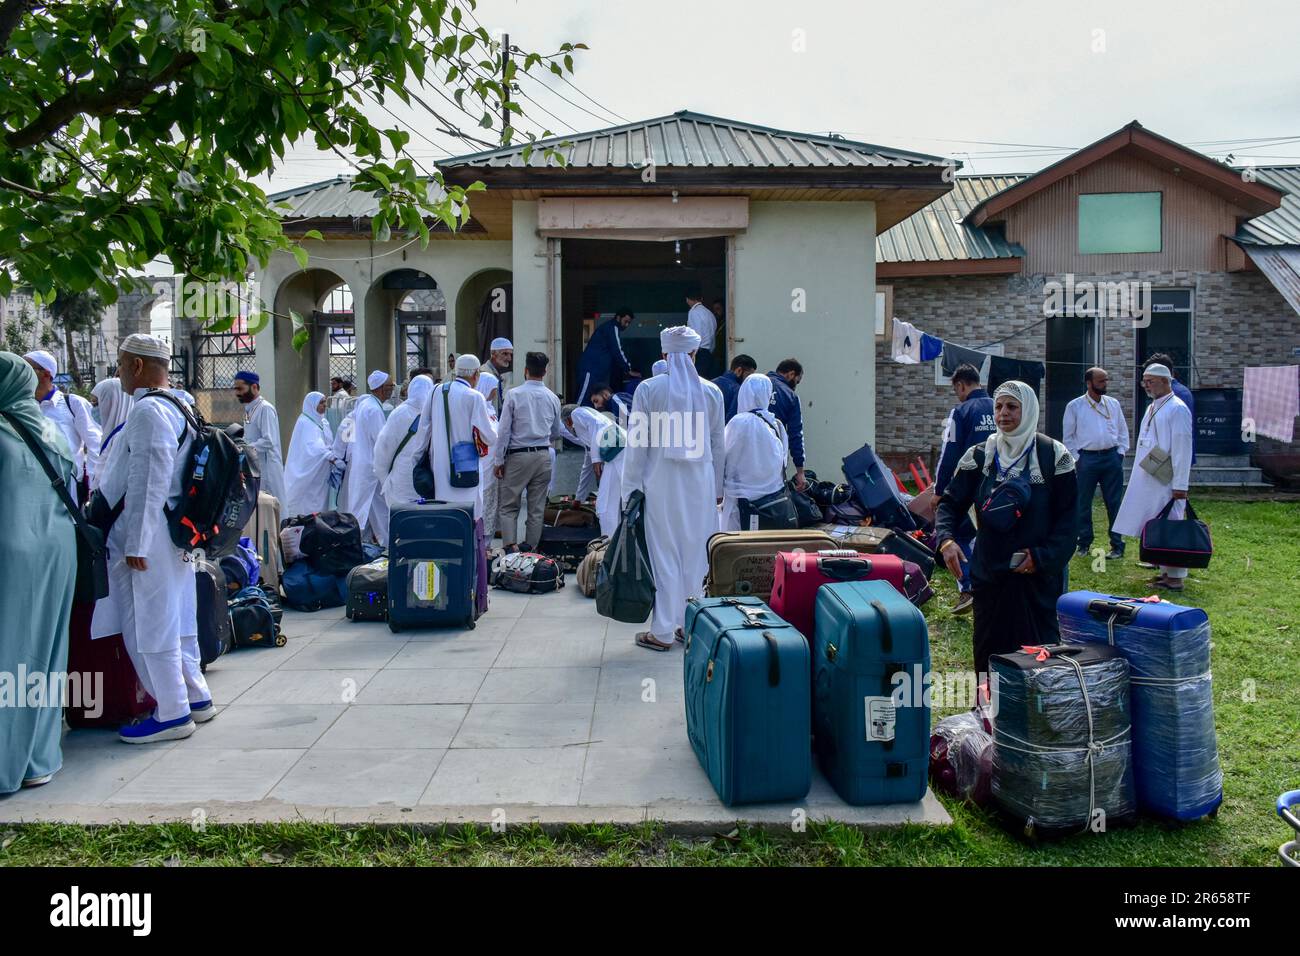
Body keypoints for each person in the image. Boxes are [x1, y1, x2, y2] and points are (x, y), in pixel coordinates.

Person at [97, 334, 213, 743]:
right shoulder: (181, 403)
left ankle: (172, 712)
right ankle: (195, 696)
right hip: (177, 531)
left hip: (153, 536)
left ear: (138, 366)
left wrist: (136, 543)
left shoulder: (148, 411)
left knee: (149, 623)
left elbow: (149, 480)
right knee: (177, 616)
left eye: (121, 362)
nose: (118, 371)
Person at [935, 381, 1078, 679]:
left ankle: (1035, 721)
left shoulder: (1054, 457)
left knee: (1039, 662)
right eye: (999, 406)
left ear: (1028, 410)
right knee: (989, 659)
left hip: (1037, 583)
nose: (1003, 414)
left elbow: (1069, 521)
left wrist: (1040, 557)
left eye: (1012, 407)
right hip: (990, 578)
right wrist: (946, 539)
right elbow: (950, 504)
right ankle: (987, 718)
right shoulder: (979, 456)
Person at [0, 352, 78, 791]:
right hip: (57, 551)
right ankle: (38, 758)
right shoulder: (49, 429)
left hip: (13, 555)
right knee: (46, 655)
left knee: (10, 654)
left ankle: (5, 763)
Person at [622, 326, 725, 652]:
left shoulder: (648, 390)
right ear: (694, 354)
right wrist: (719, 486)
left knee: (663, 552)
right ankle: (691, 626)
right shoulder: (712, 392)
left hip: (659, 483)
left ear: (664, 354)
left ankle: (664, 631)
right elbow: (717, 444)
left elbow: (636, 444)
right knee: (696, 554)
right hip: (701, 485)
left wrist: (630, 488)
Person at [422, 353, 498, 614]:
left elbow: (425, 428)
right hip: (465, 474)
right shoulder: (474, 397)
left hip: (439, 470)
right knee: (470, 528)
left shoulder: (435, 391)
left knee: (446, 527)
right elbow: (489, 436)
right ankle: (473, 592)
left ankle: (445, 588)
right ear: (476, 375)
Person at [1113, 364, 1194, 591]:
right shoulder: (1153, 407)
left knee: (1172, 524)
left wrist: (1180, 485)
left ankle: (1176, 576)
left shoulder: (1177, 408)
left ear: (1165, 381)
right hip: (1151, 476)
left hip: (1168, 479)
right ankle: (1164, 571)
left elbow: (1182, 448)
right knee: (1157, 524)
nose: (1146, 385)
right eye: (1144, 382)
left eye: (1150, 381)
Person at [934, 363, 997, 614]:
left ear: (961, 385)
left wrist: (939, 490)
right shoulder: (1001, 406)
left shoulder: (960, 411)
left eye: (956, 389)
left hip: (969, 484)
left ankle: (968, 588)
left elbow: (949, 454)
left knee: (957, 534)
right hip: (1002, 485)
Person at [492, 352, 563, 552]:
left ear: (525, 371)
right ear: (545, 371)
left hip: (517, 456)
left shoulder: (514, 394)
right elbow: (556, 433)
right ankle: (531, 549)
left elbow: (504, 430)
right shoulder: (552, 397)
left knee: (509, 505)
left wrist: (499, 459)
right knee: (536, 508)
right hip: (543, 456)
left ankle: (510, 547)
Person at [1062, 367, 1130, 561]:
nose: (1105, 384)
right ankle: (1083, 543)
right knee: (1083, 502)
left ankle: (1117, 545)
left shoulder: (1113, 404)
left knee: (1114, 503)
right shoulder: (1075, 406)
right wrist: (1078, 458)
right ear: (1089, 383)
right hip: (1087, 459)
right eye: (1101, 381)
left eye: (1106, 380)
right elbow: (1068, 437)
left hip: (1111, 458)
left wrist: (1121, 452)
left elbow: (1123, 430)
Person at [24, 349, 100, 503]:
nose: (22, 373)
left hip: (66, 488)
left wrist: (93, 486)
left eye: (27, 368)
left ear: (46, 374)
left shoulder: (73, 404)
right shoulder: (23, 407)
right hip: (30, 487)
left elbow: (95, 445)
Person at [720, 373, 788, 532]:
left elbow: (724, 457)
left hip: (739, 502)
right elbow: (782, 463)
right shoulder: (776, 424)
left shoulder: (738, 422)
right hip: (770, 504)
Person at [343, 369, 394, 545]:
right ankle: (363, 545)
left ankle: (379, 544)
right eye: (390, 386)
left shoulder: (368, 405)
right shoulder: (373, 409)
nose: (392, 389)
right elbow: (382, 439)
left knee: (373, 509)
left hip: (366, 466)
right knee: (369, 509)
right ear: (380, 388)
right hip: (371, 467)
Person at [373, 374, 435, 516]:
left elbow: (383, 448)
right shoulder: (435, 413)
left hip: (401, 479)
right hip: (427, 480)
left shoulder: (400, 413)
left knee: (401, 523)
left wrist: (383, 477)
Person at [563, 403, 625, 537]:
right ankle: (614, 543)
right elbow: (587, 469)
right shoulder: (589, 437)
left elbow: (596, 424)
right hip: (617, 456)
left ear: (568, 421)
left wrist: (596, 459)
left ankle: (607, 546)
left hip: (616, 454)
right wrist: (579, 498)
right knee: (614, 505)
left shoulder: (577, 413)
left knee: (605, 506)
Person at [283, 391, 339, 519]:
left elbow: (327, 442)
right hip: (308, 472)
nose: (324, 405)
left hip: (319, 474)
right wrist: (331, 456)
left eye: (325, 402)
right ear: (312, 404)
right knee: (307, 503)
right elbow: (313, 447)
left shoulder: (321, 421)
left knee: (318, 503)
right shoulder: (306, 422)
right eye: (321, 402)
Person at [232, 370, 285, 505]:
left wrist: (244, 448)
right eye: (235, 389)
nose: (237, 393)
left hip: (267, 469)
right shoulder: (249, 409)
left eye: (240, 388)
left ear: (254, 387)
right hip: (255, 467)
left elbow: (268, 441)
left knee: (271, 507)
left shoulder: (265, 409)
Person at [577, 309, 638, 404]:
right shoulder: (612, 327)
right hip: (591, 368)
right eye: (625, 321)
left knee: (594, 400)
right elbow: (617, 350)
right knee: (583, 398)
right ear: (618, 318)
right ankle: (573, 417)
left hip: (599, 371)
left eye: (628, 323)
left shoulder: (608, 328)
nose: (626, 325)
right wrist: (628, 369)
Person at [1144, 353, 1195, 463]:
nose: (1147, 386)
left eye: (1151, 379)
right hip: (1162, 457)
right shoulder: (1180, 391)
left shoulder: (1174, 395)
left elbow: (1178, 435)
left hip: (1169, 458)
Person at [767, 358, 807, 490]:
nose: (795, 386)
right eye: (797, 381)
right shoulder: (790, 396)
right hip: (772, 455)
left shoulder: (754, 385)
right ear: (791, 374)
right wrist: (800, 471)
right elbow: (795, 434)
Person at [89, 377, 133, 492]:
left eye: (96, 403)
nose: (93, 409)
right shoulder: (111, 437)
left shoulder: (124, 440)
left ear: (112, 402)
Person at [476, 370, 501, 544]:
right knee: (482, 505)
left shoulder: (489, 408)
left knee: (491, 507)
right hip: (483, 465)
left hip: (493, 466)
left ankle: (487, 546)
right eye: (493, 388)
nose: (495, 391)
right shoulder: (478, 408)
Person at [713, 354, 758, 423]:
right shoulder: (738, 390)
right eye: (748, 375)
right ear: (739, 371)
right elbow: (732, 420)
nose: (749, 380)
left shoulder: (711, 383)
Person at [479, 337, 514, 418]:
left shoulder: (497, 374)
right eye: (505, 354)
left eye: (510, 354)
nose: (509, 358)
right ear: (493, 353)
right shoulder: (484, 374)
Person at [685, 292, 718, 377]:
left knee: (697, 380)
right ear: (701, 299)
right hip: (710, 351)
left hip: (700, 352)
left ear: (687, 299)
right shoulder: (709, 313)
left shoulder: (694, 312)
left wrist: (691, 354)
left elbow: (695, 334)